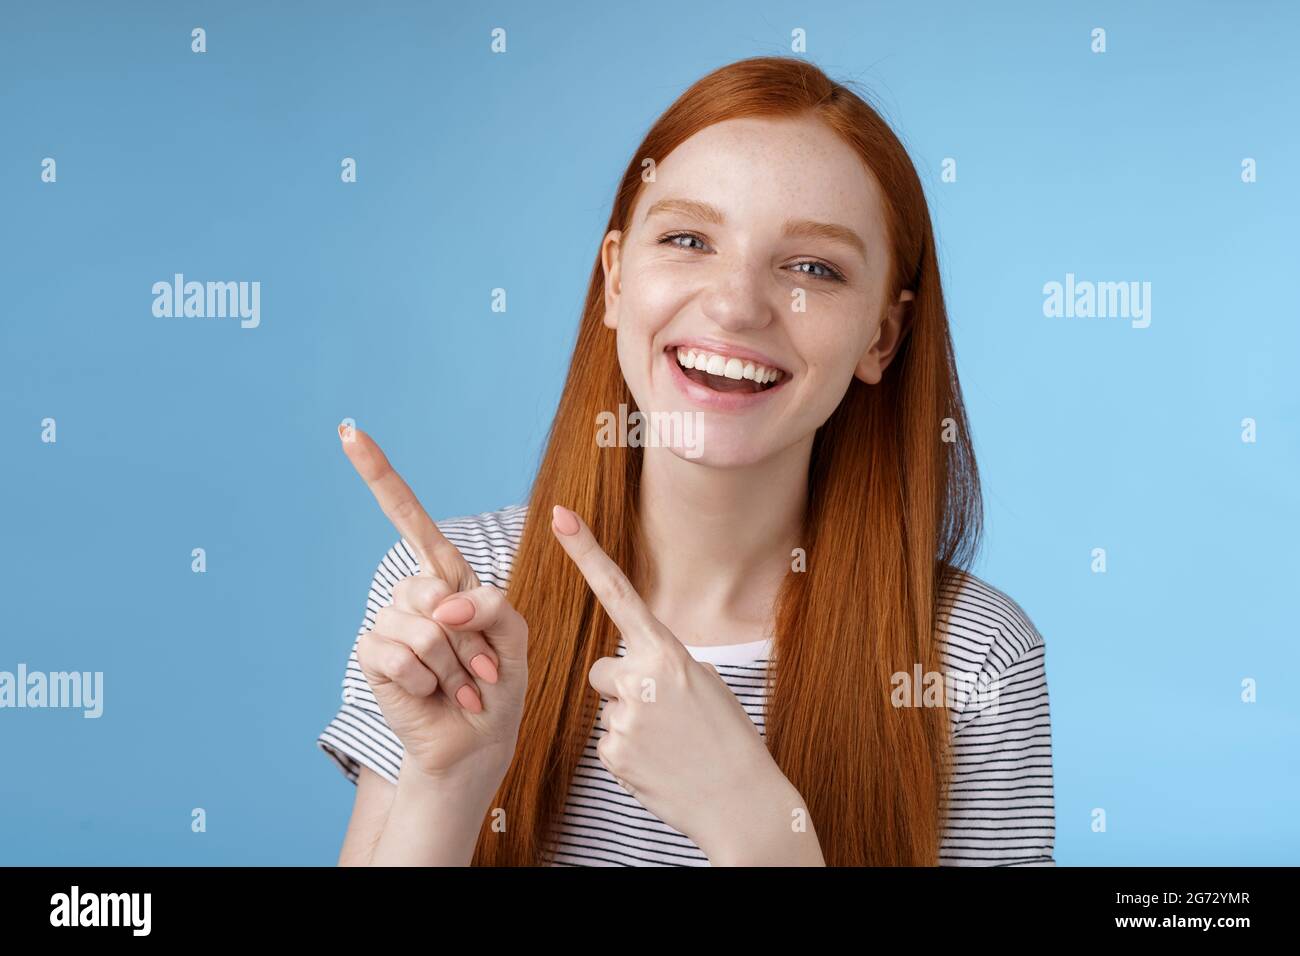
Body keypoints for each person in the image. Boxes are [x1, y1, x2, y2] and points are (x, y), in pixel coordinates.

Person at [318, 56, 1055, 867]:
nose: (737, 304)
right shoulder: (463, 597)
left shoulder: (972, 656)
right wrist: (447, 783)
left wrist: (759, 828)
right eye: (688, 239)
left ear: (882, 336)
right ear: (615, 280)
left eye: (813, 268)